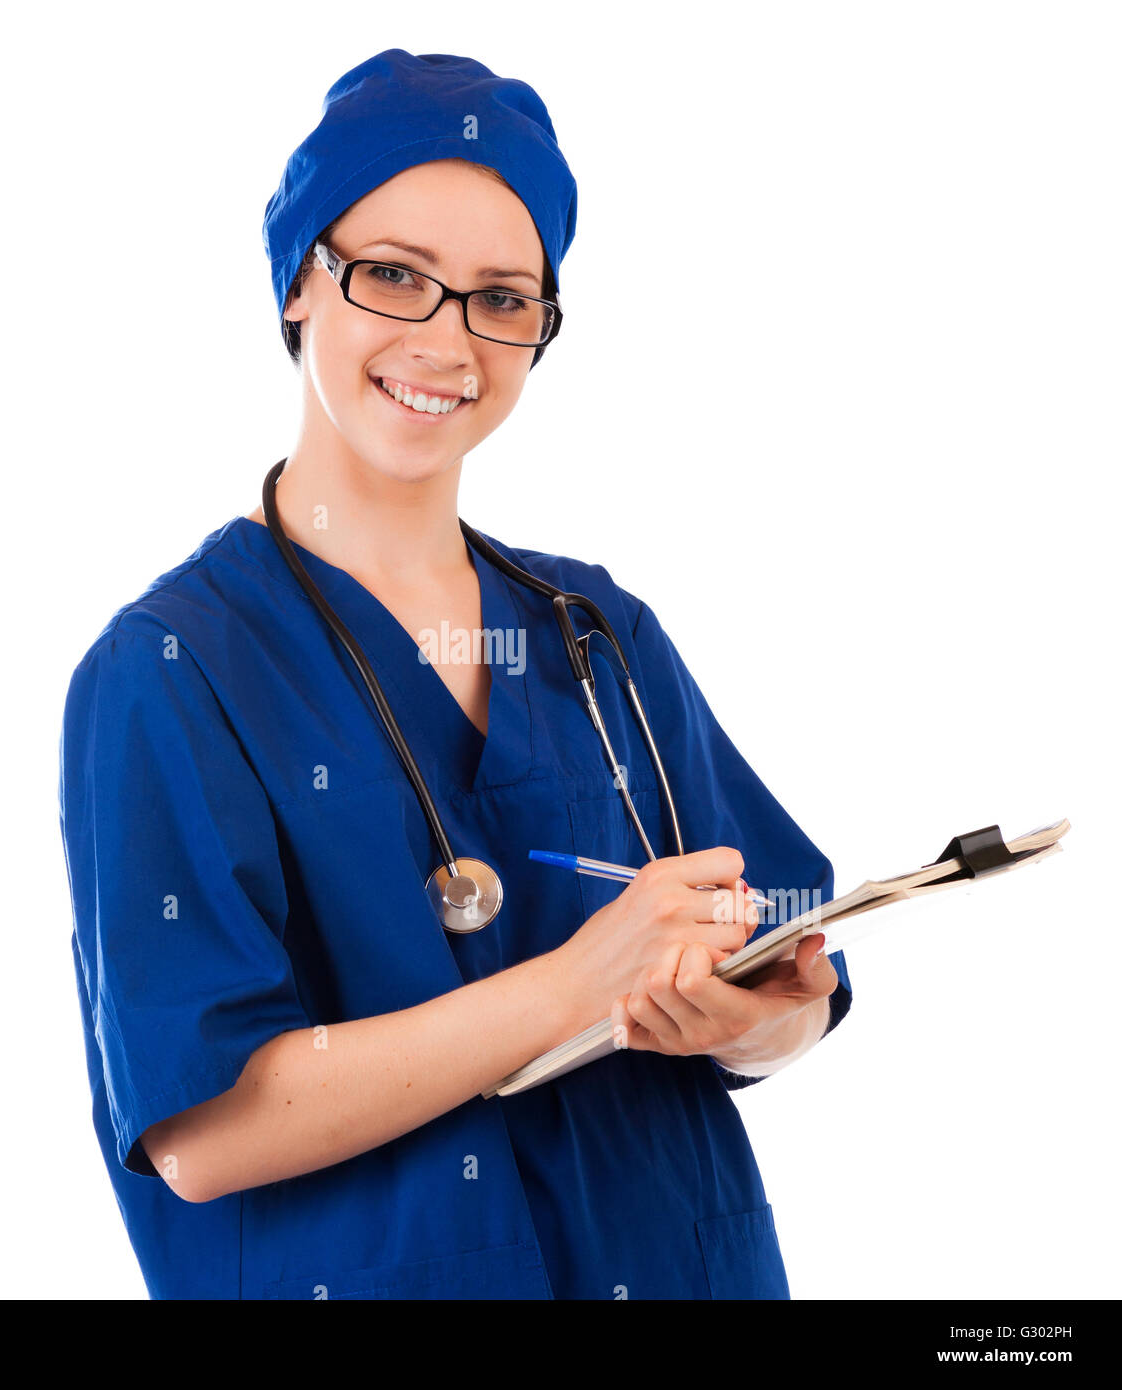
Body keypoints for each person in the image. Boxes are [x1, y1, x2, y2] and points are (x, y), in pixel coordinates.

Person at [58, 48, 852, 1301]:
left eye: (502, 297)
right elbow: (200, 1131)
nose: (448, 338)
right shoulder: (170, 669)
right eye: (393, 275)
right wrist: (571, 985)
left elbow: (796, 966)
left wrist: (758, 1019)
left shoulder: (596, 632)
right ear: (299, 287)